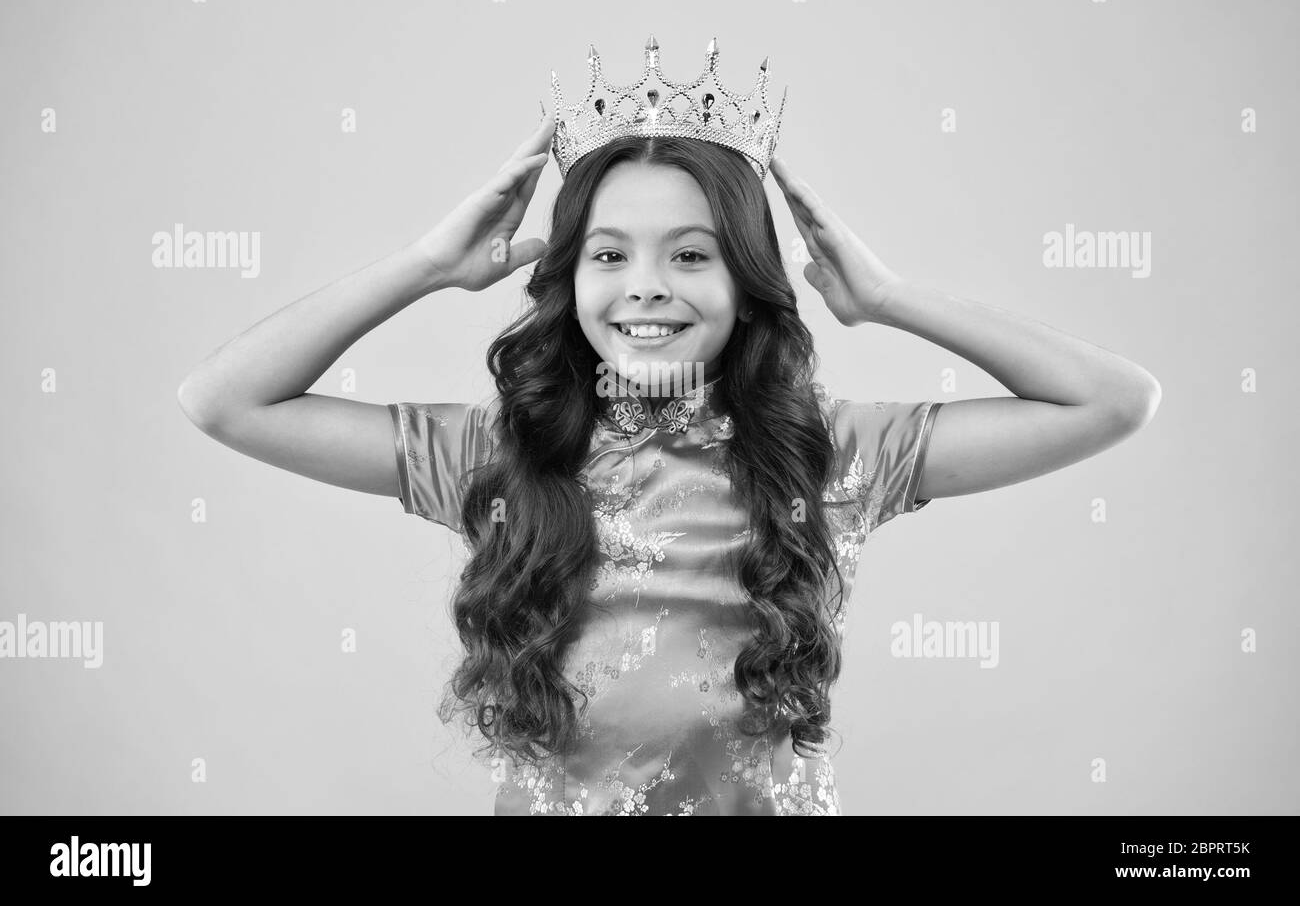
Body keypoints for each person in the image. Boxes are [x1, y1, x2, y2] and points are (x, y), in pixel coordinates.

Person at [177, 43, 1160, 816]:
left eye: (690, 254)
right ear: (569, 282)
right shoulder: (500, 456)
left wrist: (893, 299)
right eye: (609, 253)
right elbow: (225, 400)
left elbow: (1109, 400)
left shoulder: (833, 452)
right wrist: (424, 265)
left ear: (745, 281)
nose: (646, 282)